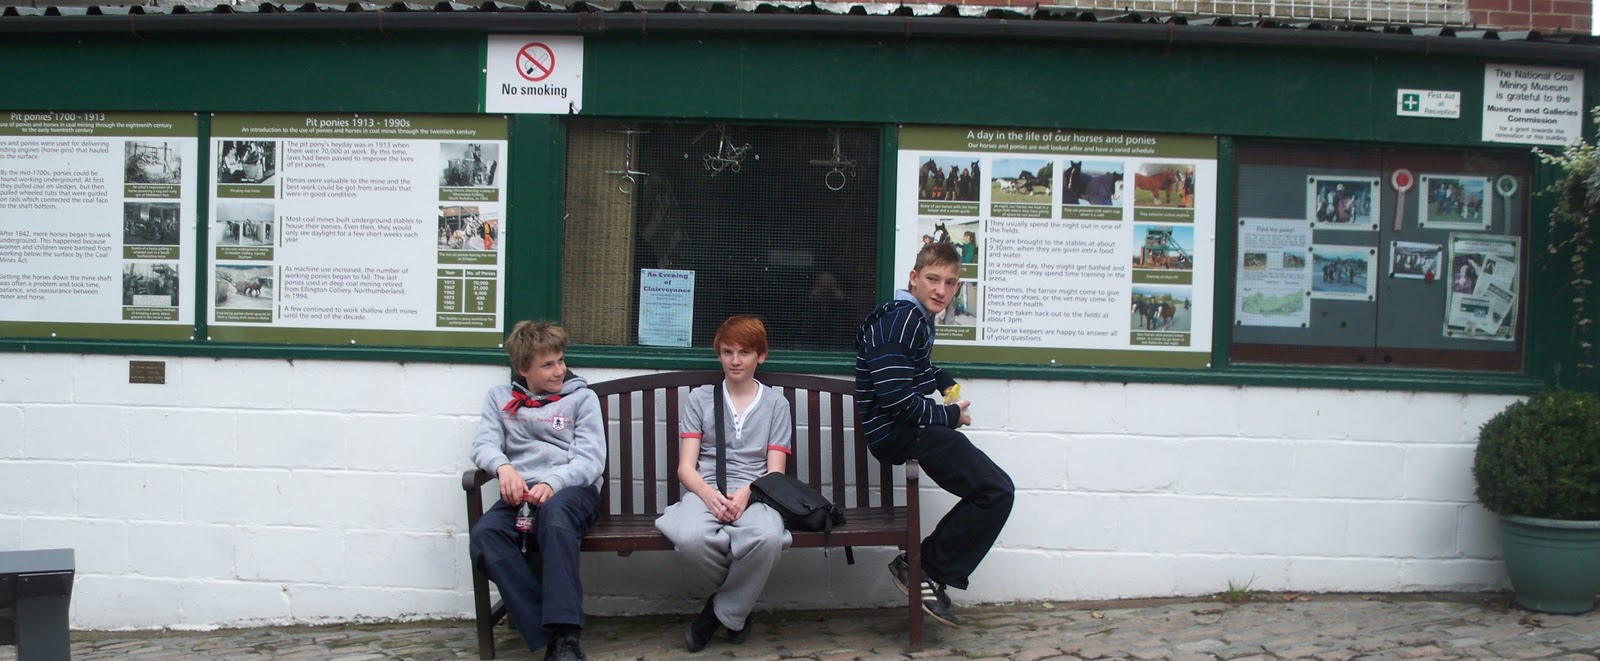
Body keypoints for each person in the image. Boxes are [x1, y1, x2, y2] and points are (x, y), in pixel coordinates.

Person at [854, 242, 1014, 629]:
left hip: (907, 430)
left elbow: (918, 369)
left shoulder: (916, 318)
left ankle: (923, 567)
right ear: (914, 278)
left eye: (950, 283)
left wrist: (945, 384)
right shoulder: (902, 320)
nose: (941, 290)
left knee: (993, 490)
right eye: (932, 279)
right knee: (995, 491)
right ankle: (921, 568)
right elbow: (896, 400)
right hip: (898, 432)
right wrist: (948, 415)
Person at [468, 321, 605, 661]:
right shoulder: (499, 399)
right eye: (547, 365)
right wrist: (503, 468)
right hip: (520, 496)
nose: (559, 370)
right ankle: (550, 635)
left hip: (571, 492)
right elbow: (484, 444)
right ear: (523, 369)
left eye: (561, 361)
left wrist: (552, 483)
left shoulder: (582, 398)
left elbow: (590, 459)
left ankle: (567, 635)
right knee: (485, 535)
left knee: (555, 518)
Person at [657, 316, 793, 652]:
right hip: (706, 489)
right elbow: (685, 468)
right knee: (690, 539)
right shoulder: (700, 399)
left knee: (768, 537)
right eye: (727, 352)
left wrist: (747, 492)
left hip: (758, 492)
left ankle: (716, 614)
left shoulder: (776, 404)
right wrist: (708, 495)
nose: (735, 360)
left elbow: (775, 472)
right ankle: (738, 607)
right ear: (718, 354)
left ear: (761, 356)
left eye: (744, 352)